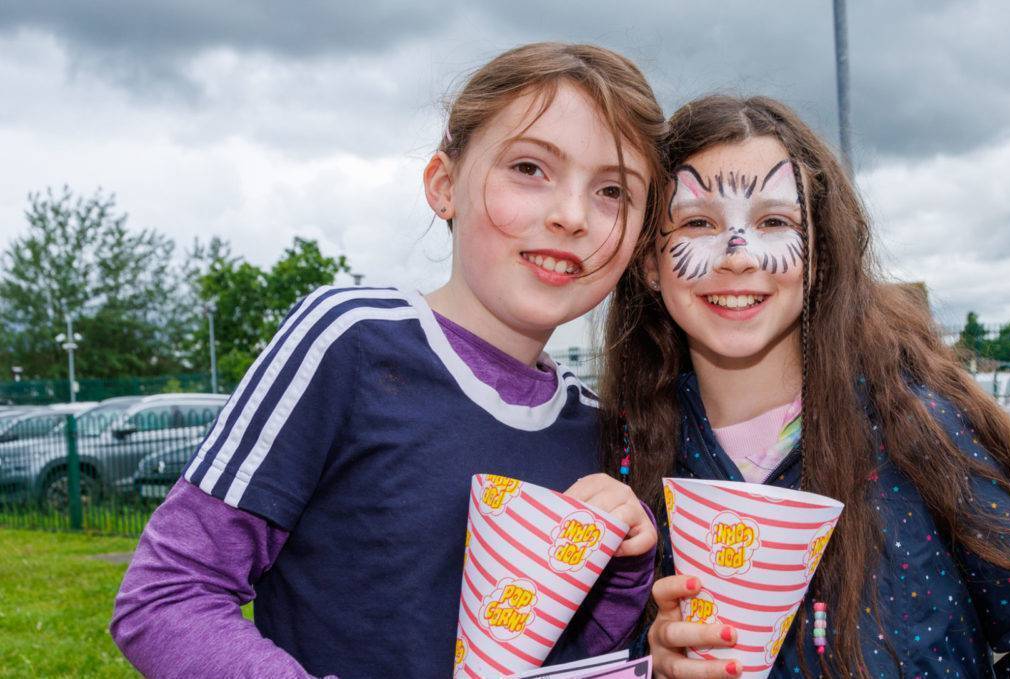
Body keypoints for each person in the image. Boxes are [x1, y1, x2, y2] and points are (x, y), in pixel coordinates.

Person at [111, 43, 668, 678]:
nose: (571, 216)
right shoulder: (350, 341)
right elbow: (167, 595)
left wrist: (621, 575)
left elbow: (554, 657)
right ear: (443, 185)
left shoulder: (595, 428)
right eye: (529, 168)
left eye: (612, 191)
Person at [598, 95, 1010, 678]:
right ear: (649, 262)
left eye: (775, 222)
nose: (738, 254)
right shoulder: (623, 463)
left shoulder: (921, 433)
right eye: (698, 223)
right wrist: (651, 668)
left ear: (821, 255)